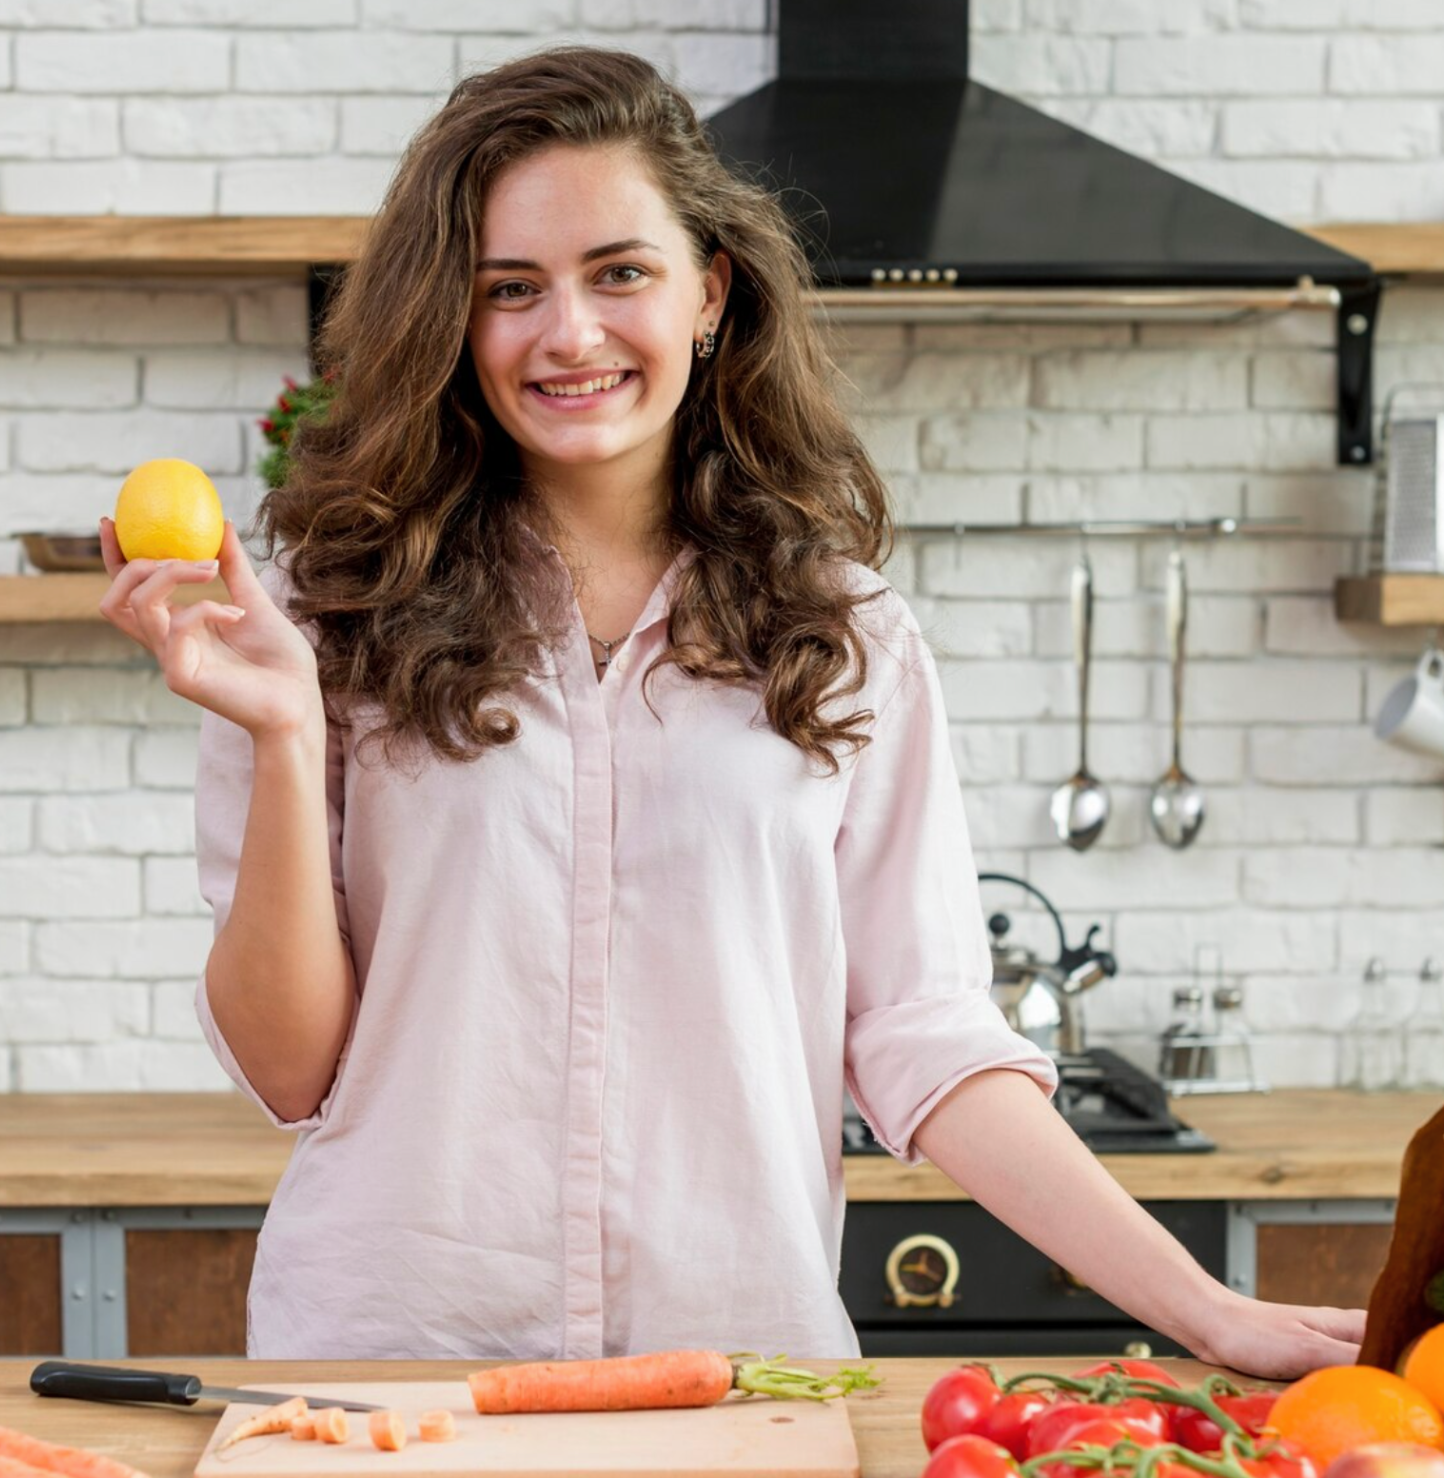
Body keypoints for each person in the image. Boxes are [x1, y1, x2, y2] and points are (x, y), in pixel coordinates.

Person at [98, 45, 1363, 1376]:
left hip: (732, 1379)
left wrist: (1203, 1309)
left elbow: (923, 1032)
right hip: (388, 1371)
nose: (568, 333)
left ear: (710, 291)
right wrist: (289, 736)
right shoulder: (322, 612)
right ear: (453, 326)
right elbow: (293, 1070)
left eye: (620, 272)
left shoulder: (842, 629)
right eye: (508, 289)